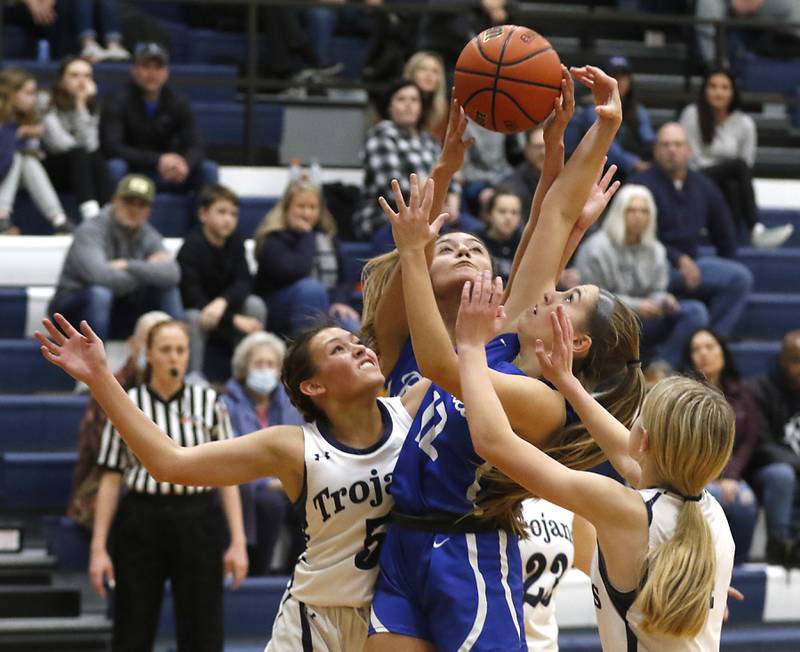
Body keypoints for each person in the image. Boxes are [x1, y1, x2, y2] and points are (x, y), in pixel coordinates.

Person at [364, 68, 646, 652]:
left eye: (568, 298)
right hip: (404, 541)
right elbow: (556, 219)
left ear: (578, 341)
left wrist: (414, 254)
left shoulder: (540, 400)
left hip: (465, 553)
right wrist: (601, 128)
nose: (553, 290)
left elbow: (444, 366)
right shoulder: (501, 340)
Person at [36, 315, 428, 651]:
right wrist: (101, 378)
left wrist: (415, 252)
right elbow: (170, 463)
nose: (360, 349)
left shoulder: (413, 409)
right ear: (313, 386)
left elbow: (465, 364)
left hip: (394, 614)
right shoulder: (291, 446)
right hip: (318, 618)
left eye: (358, 343)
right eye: (339, 349)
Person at [455, 280, 736, 650]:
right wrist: (569, 384)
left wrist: (472, 349)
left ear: (644, 439)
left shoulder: (624, 509)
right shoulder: (710, 513)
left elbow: (493, 442)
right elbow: (626, 453)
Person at [90, 320, 247, 651]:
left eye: (180, 349)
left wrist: (238, 541)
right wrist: (98, 547)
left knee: (203, 626)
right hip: (141, 517)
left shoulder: (209, 402)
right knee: (133, 623)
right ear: (148, 354)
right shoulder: (126, 403)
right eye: (165, 350)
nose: (174, 357)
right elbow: (110, 478)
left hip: (198, 517)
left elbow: (227, 477)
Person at [629, 122, 753, 338]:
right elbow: (636, 237)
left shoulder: (704, 186)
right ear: (656, 150)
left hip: (692, 264)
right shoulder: (640, 185)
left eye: (677, 144)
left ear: (689, 150)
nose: (672, 150)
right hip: (647, 267)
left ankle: (710, 342)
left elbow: (725, 234)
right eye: (665, 145)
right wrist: (679, 259)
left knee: (739, 277)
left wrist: (727, 260)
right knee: (696, 305)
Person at [575, 183, 709, 368]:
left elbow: (657, 289)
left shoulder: (656, 249)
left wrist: (663, 300)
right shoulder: (595, 248)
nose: (638, 216)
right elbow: (592, 299)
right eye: (631, 210)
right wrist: (637, 306)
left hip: (646, 320)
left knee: (695, 311)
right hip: (609, 323)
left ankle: (661, 366)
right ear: (619, 212)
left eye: (644, 211)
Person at [66, 309, 170, 530]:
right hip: (113, 480)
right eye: (150, 340)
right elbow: (103, 454)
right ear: (133, 344)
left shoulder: (189, 393)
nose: (161, 352)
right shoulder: (110, 386)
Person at [48, 174, 184, 340]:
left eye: (141, 205)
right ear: (115, 200)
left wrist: (128, 265)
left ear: (149, 211)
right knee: (100, 294)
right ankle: (96, 363)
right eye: (128, 202)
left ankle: (177, 358)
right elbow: (100, 277)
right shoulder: (91, 229)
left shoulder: (149, 234)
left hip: (119, 309)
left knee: (168, 289)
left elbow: (173, 274)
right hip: (72, 311)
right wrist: (149, 271)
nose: (134, 210)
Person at [679, 67, 793, 249]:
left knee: (733, 184)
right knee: (737, 167)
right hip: (694, 177)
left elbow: (748, 164)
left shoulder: (745, 123)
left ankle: (729, 239)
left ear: (733, 92)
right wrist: (725, 168)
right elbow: (689, 160)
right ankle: (755, 228)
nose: (719, 92)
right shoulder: (692, 114)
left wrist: (725, 171)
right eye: (713, 86)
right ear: (705, 90)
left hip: (726, 183)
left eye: (725, 87)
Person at [221, 331, 304, 575]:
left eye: (271, 364)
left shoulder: (290, 402)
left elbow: (299, 446)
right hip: (246, 485)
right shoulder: (227, 402)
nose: (265, 370)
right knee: (271, 504)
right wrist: (270, 481)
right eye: (259, 363)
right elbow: (233, 455)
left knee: (310, 501)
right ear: (244, 368)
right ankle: (260, 572)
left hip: (287, 482)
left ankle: (297, 572)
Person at [680, 328, 759, 564]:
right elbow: (683, 441)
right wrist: (711, 476)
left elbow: (748, 441)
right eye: (696, 349)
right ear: (689, 357)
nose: (703, 353)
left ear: (723, 353)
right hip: (693, 475)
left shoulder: (742, 393)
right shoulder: (681, 394)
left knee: (745, 501)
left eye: (710, 347)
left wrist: (731, 476)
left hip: (731, 475)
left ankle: (739, 568)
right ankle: (704, 566)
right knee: (711, 497)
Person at [100, 42, 218, 194]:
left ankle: (207, 218)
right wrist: (158, 160)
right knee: (115, 167)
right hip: (134, 171)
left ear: (166, 72)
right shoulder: (117, 100)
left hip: (168, 173)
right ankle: (113, 217)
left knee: (207, 169)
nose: (152, 73)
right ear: (134, 70)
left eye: (158, 67)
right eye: (146, 67)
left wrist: (185, 164)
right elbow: (112, 147)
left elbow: (196, 144)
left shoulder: (177, 101)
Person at [177, 184, 266, 377]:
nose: (228, 219)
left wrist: (222, 302)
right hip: (201, 312)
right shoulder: (191, 247)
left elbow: (244, 281)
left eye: (234, 214)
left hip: (223, 308)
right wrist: (233, 320)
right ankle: (194, 377)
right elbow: (191, 296)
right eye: (222, 212)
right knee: (193, 317)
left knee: (255, 305)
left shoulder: (236, 241)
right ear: (203, 214)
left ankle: (249, 375)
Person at [254, 179, 361, 337]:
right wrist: (306, 236)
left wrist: (339, 301)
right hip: (282, 308)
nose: (307, 213)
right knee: (311, 290)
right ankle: (308, 355)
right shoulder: (273, 238)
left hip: (327, 305)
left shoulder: (327, 236)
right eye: (301, 206)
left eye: (312, 207)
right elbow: (295, 271)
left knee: (353, 328)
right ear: (287, 208)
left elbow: (345, 279)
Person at [352, 79, 442, 241]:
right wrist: (433, 189)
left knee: (472, 232)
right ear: (389, 106)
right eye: (401, 99)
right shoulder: (381, 134)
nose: (408, 104)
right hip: (386, 219)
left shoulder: (430, 140)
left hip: (431, 215)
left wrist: (452, 197)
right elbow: (395, 190)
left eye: (414, 100)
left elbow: (450, 177)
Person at [749, 329, 800, 567]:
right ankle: (780, 547)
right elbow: (760, 444)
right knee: (783, 475)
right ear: (782, 361)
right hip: (764, 469)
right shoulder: (759, 390)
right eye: (796, 361)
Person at [0, 67, 72, 234]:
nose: (34, 99)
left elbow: (66, 146)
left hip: (19, 178)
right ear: (11, 94)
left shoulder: (31, 116)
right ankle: (2, 214)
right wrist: (18, 134)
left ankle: (59, 219)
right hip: (4, 173)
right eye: (28, 93)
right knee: (19, 155)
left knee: (27, 158)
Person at [42, 56, 111, 222]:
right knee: (80, 153)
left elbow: (92, 146)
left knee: (96, 157)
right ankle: (92, 216)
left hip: (81, 169)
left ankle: (109, 212)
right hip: (51, 168)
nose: (82, 82)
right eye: (74, 75)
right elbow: (58, 143)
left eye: (87, 76)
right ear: (60, 80)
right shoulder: (45, 100)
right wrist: (81, 111)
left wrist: (81, 105)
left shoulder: (91, 106)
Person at [519, 498, 594, 651]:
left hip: (544, 644)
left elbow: (601, 570)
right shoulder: (477, 488)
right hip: (487, 643)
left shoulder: (564, 492)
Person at [566, 55, 654, 181]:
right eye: (614, 76)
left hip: (629, 174)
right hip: (596, 174)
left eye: (624, 76)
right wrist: (636, 163)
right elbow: (608, 148)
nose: (619, 82)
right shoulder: (592, 109)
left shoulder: (638, 110)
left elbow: (649, 140)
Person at [500, 126, 545, 221]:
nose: (543, 152)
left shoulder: (566, 177)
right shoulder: (512, 185)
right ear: (527, 149)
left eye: (547, 146)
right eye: (538, 147)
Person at [479, 189, 523, 282]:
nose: (508, 217)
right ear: (489, 214)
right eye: (502, 211)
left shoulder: (525, 244)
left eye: (514, 212)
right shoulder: (476, 241)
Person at [403, 50, 448, 139]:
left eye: (435, 71)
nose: (429, 75)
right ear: (411, 73)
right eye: (423, 69)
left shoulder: (444, 109)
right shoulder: (397, 100)